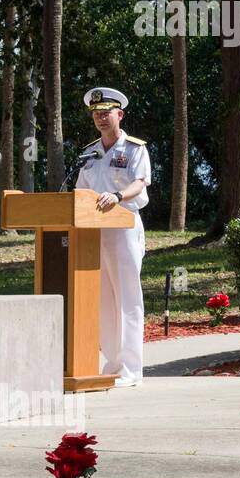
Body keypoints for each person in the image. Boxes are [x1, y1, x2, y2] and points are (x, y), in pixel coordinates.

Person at [76, 87, 151, 388]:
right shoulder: (89, 152)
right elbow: (80, 190)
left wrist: (118, 196)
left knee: (127, 299)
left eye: (106, 112)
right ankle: (112, 365)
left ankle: (131, 370)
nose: (101, 118)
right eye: (96, 113)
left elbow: (141, 183)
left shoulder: (134, 149)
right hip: (94, 232)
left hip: (123, 228)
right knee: (104, 300)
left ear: (119, 114)